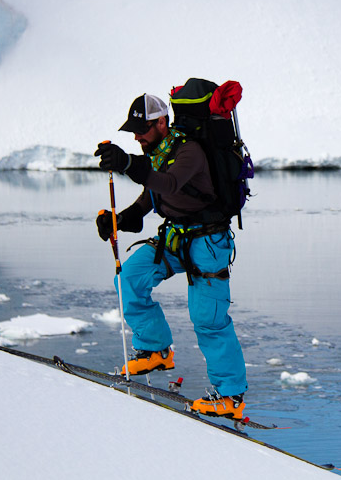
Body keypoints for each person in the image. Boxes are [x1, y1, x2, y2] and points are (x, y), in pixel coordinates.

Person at [93, 92, 248, 419]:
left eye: (143, 129)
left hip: (209, 244)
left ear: (162, 122)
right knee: (130, 278)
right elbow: (151, 195)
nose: (137, 136)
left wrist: (128, 163)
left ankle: (230, 396)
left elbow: (169, 183)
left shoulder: (189, 151)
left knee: (209, 319)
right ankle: (155, 350)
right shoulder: (159, 151)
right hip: (176, 237)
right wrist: (118, 221)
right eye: (134, 131)